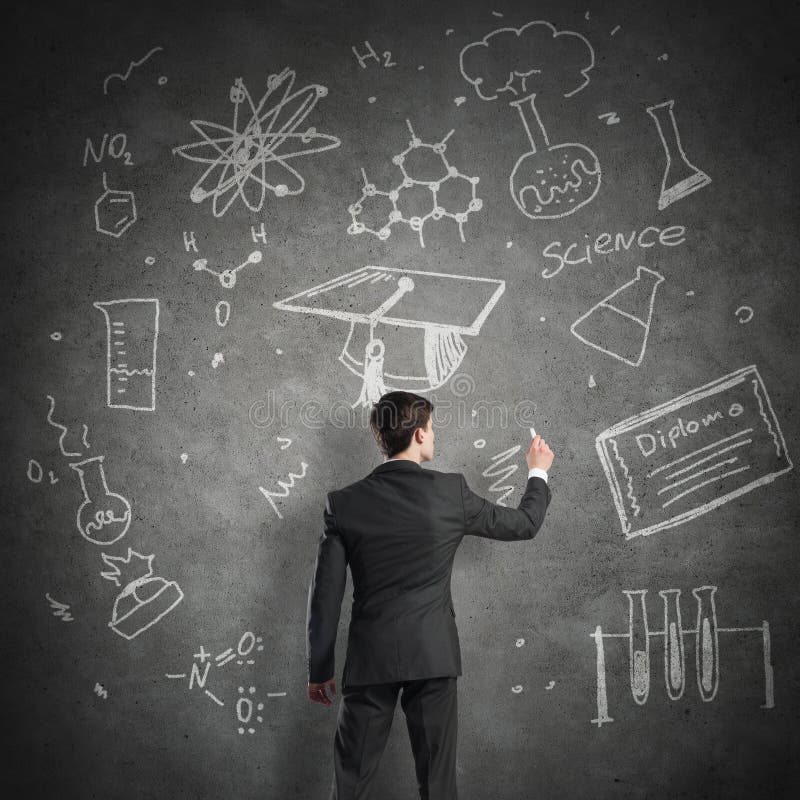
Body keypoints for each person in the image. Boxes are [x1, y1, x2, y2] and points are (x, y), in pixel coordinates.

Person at [306, 390, 554, 799]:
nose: (434, 437)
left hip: (371, 661)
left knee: (349, 786)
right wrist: (537, 471)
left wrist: (320, 668)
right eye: (433, 429)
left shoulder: (344, 504)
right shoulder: (451, 492)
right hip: (433, 655)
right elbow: (524, 524)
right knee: (438, 787)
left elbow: (325, 595)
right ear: (419, 435)